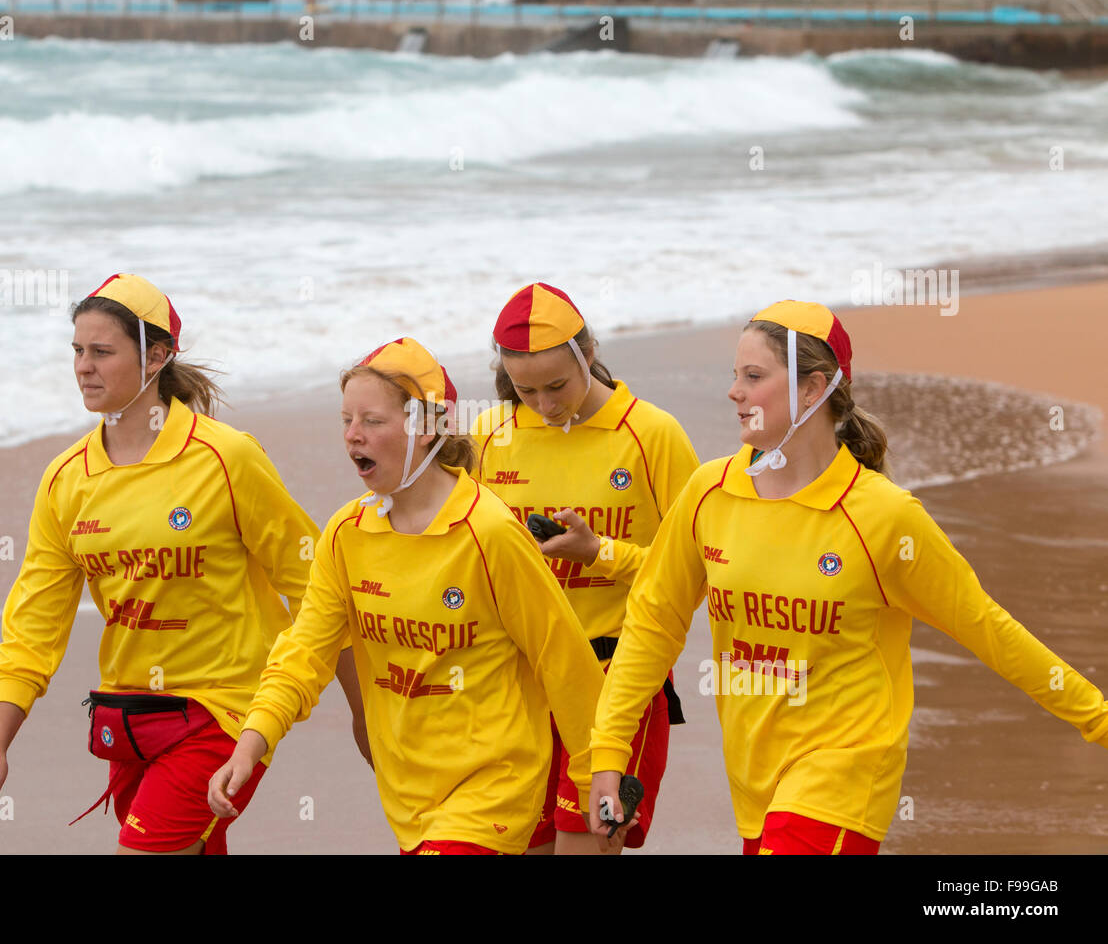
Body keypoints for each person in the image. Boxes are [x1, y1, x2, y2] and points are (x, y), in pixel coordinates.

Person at [590, 299, 1108, 854]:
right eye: (735, 375)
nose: (734, 392)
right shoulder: (708, 494)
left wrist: (1097, 719)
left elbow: (984, 625)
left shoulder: (883, 517)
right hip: (755, 780)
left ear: (813, 390)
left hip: (846, 773)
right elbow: (652, 623)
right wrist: (608, 754)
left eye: (754, 376)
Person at [0, 273, 352, 855]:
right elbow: (33, 627)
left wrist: (364, 712)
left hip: (224, 713)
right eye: (77, 351)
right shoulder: (67, 480)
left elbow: (318, 588)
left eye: (102, 351)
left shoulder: (225, 458)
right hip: (129, 719)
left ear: (157, 357)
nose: (83, 367)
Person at [207, 337, 605, 854]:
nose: (353, 436)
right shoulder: (345, 534)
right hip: (407, 794)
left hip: (494, 786)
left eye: (372, 421)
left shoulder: (489, 531)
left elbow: (562, 658)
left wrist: (598, 773)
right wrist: (252, 741)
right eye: (346, 420)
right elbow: (303, 652)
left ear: (429, 427)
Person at [469, 282, 699, 855]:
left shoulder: (653, 435)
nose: (544, 406)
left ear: (588, 354)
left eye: (557, 386)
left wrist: (601, 553)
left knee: (588, 845)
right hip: (521, 686)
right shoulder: (487, 436)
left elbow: (697, 576)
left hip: (617, 678)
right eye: (525, 391)